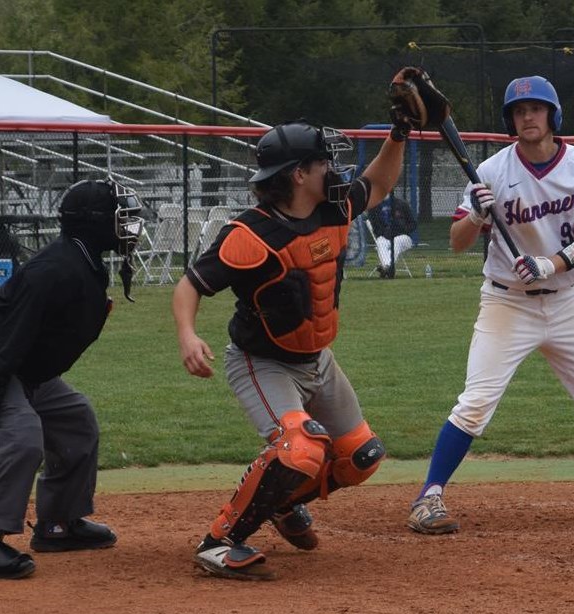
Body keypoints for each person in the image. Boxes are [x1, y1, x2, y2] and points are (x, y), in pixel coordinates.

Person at [406, 75, 574, 535]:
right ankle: (428, 497)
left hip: (566, 303)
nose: (528, 117)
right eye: (520, 112)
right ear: (511, 121)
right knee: (475, 403)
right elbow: (457, 243)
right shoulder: (491, 172)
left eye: (536, 109)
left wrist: (551, 264)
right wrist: (479, 215)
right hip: (507, 305)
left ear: (552, 115)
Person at [172, 108, 409, 579]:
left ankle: (281, 504)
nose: (332, 169)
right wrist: (188, 335)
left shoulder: (334, 206)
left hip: (318, 359)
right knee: (300, 448)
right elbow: (191, 285)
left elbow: (379, 183)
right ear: (299, 174)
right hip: (264, 362)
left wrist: (399, 132)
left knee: (360, 458)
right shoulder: (250, 235)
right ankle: (219, 542)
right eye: (323, 162)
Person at [0, 177, 145, 579]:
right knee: (23, 436)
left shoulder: (83, 259)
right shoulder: (55, 269)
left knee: (75, 421)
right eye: (119, 216)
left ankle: (59, 525)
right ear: (94, 223)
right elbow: (6, 345)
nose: (129, 224)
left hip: (17, 366)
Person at [367, 193, 417, 278]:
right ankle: (388, 267)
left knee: (396, 241)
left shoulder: (401, 204)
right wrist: (383, 232)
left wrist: (402, 229)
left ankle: (386, 267)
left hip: (403, 237)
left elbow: (413, 224)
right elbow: (375, 226)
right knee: (380, 242)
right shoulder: (374, 207)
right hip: (386, 236)